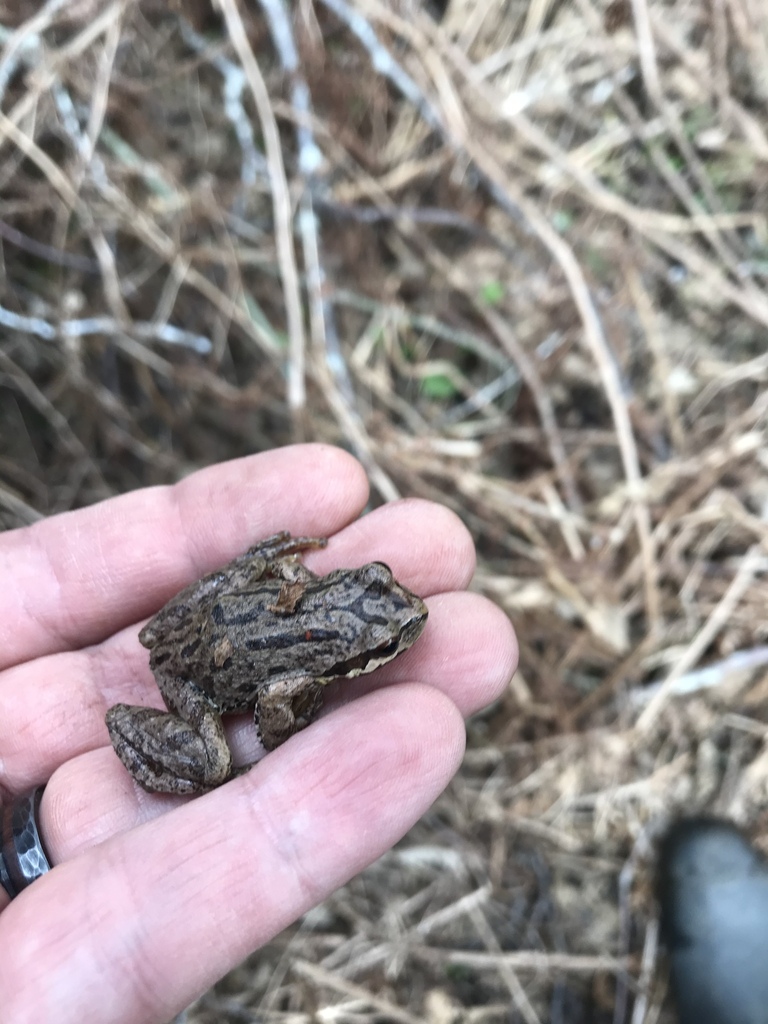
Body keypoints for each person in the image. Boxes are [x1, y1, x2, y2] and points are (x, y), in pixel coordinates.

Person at [0, 444, 517, 1024]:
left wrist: (271, 562)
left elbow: (287, 587)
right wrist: (294, 722)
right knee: (217, 761)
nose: (404, 619)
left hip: (197, 623)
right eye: (386, 644)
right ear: (355, 657)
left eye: (381, 587)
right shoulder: (305, 659)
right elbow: (273, 705)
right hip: (193, 687)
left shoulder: (303, 584)